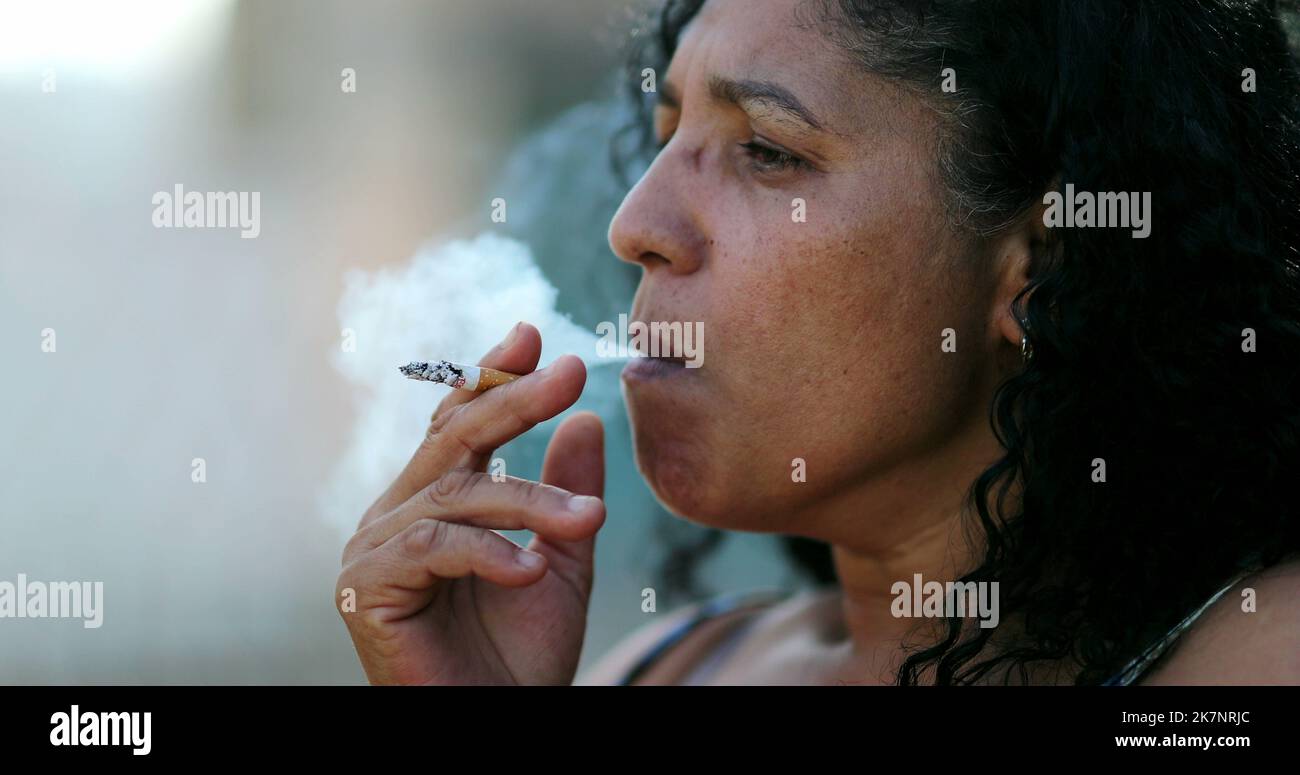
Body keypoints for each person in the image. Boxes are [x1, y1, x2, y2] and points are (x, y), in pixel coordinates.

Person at [337, 0, 1300, 685]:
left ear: (1041, 265)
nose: (634, 223)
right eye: (667, 134)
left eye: (767, 150)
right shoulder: (664, 667)